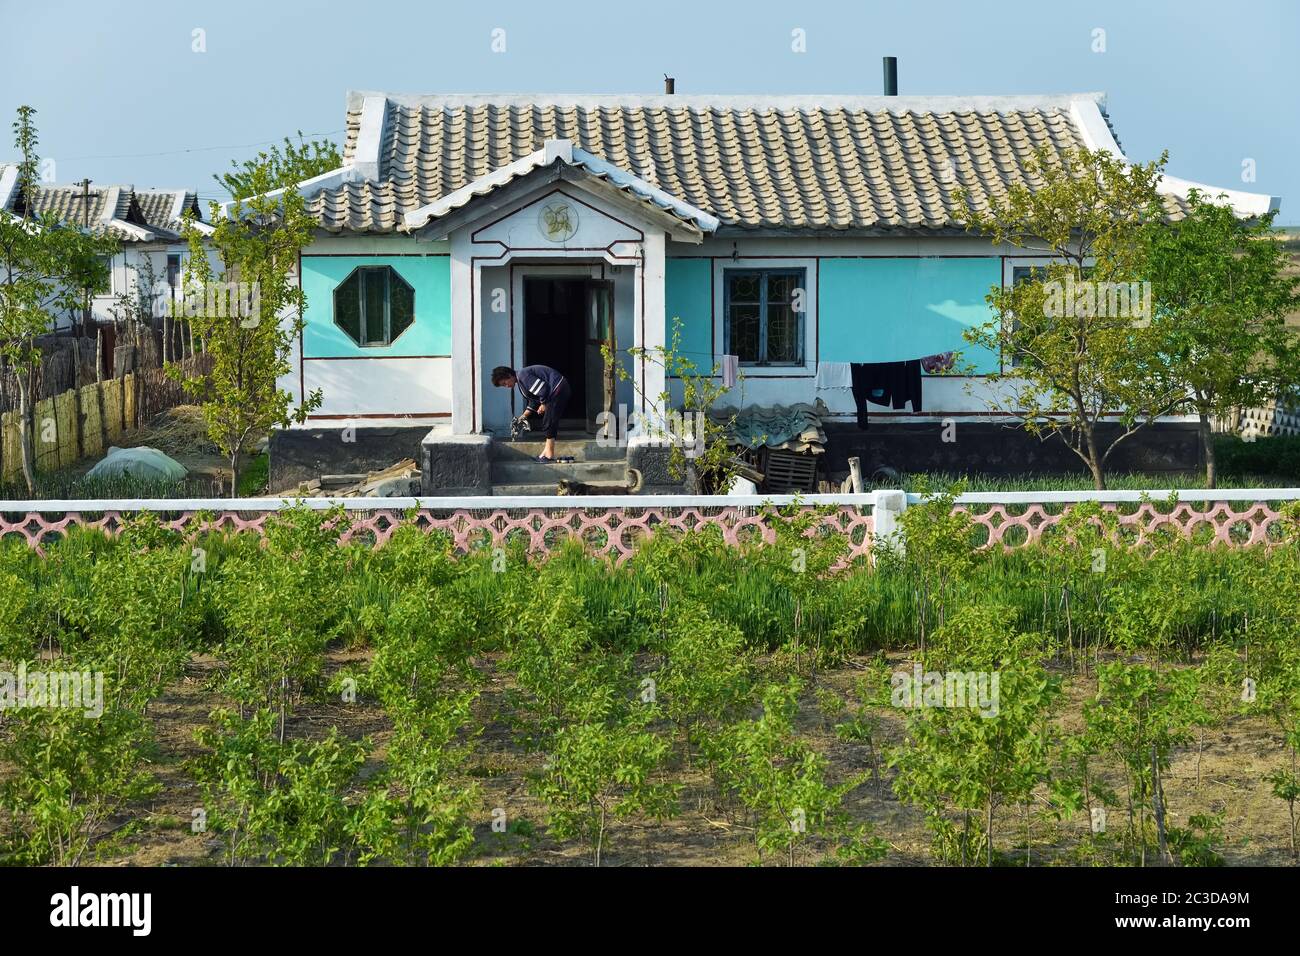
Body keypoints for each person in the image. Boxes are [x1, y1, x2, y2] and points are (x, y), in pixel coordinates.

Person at [491, 364, 571, 462]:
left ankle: (549, 455)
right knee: (548, 421)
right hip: (554, 392)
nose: (506, 386)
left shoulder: (523, 375)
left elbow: (543, 389)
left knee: (549, 421)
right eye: (503, 385)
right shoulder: (521, 380)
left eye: (505, 383)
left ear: (509, 375)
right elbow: (533, 401)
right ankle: (545, 453)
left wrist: (543, 403)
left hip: (557, 388)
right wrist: (523, 417)